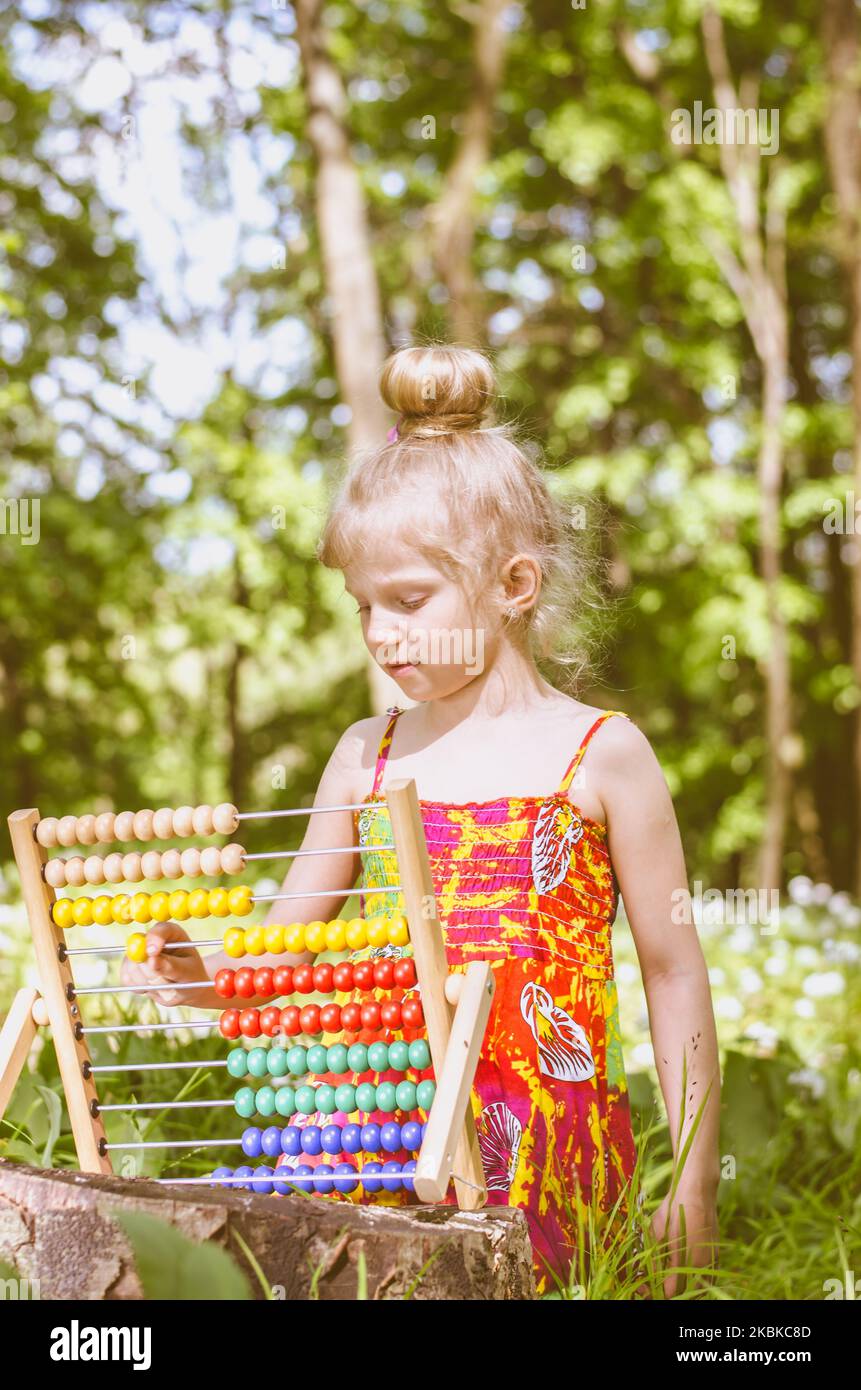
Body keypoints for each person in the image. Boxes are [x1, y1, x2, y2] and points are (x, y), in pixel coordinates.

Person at [123, 343, 720, 1297]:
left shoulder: (603, 754)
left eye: (408, 601)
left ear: (513, 587)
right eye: (363, 605)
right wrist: (201, 978)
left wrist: (693, 1186)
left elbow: (673, 969)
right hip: (387, 1155)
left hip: (551, 1177)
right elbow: (282, 957)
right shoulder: (368, 755)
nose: (379, 633)